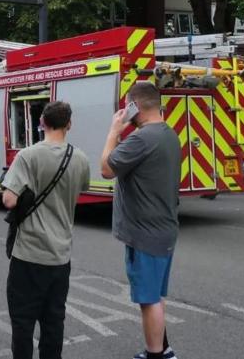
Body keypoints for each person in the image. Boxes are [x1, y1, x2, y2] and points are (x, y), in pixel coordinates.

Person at [1, 101, 90, 359]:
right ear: (69, 124)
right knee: (53, 322)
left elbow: (9, 200)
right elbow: (80, 190)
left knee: (23, 323)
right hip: (60, 256)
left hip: (28, 255)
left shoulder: (28, 156)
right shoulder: (80, 158)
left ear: (42, 122)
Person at [100, 82, 181, 359]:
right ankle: (163, 348)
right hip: (163, 228)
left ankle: (155, 354)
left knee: (148, 300)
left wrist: (114, 131)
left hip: (144, 233)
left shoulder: (142, 138)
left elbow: (106, 169)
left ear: (135, 106)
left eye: (127, 106)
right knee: (156, 296)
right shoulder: (169, 134)